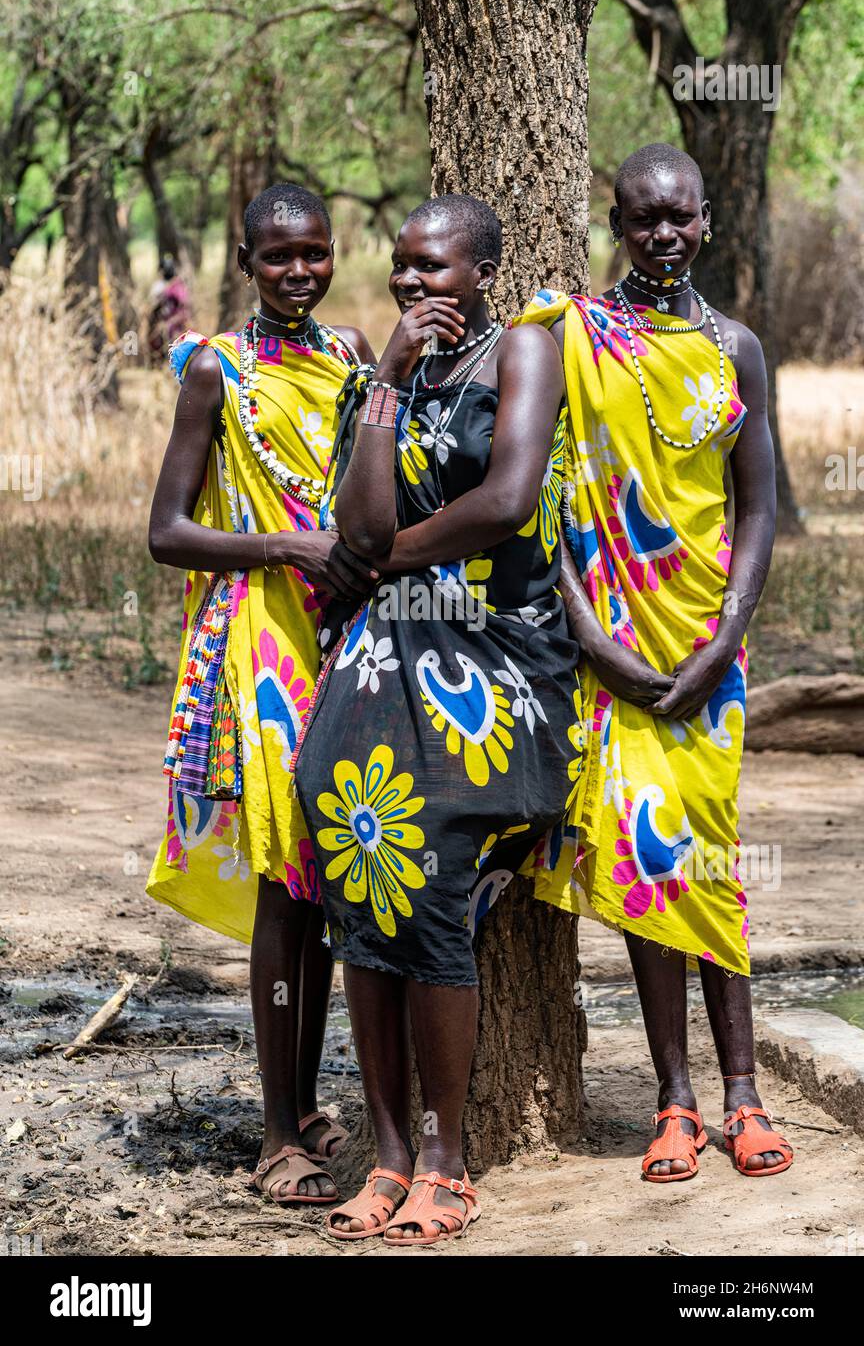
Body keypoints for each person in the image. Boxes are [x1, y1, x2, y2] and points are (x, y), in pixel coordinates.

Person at [291, 194, 582, 1243]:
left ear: (485, 273)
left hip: (501, 649)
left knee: (422, 841)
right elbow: (355, 523)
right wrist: (385, 384)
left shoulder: (527, 354)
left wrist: (387, 560)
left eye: (437, 269)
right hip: (392, 640)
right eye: (404, 269)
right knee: (343, 807)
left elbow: (506, 501)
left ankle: (447, 1152)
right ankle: (387, 1150)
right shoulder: (383, 383)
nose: (415, 286)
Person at [515, 143, 793, 1181]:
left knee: (710, 859)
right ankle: (676, 1099)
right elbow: (537, 501)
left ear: (707, 220)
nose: (663, 235)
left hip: (709, 652)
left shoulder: (737, 349)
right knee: (645, 860)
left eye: (680, 218)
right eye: (643, 220)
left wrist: (726, 631)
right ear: (617, 224)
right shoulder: (570, 336)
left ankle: (745, 1091)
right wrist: (590, 638)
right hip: (606, 649)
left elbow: (760, 506)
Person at [147, 183, 378, 1206]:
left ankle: (308, 1096)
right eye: (277, 256)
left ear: (334, 255)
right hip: (259, 640)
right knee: (286, 880)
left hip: (342, 634)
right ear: (246, 261)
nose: (298, 271)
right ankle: (277, 1130)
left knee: (326, 870)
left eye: (314, 253)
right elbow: (166, 531)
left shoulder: (350, 358)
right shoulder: (214, 368)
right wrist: (285, 543)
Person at [148, 254, 192, 363]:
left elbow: (184, 305)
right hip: (163, 322)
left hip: (176, 322)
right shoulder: (158, 286)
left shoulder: (178, 285)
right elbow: (152, 306)